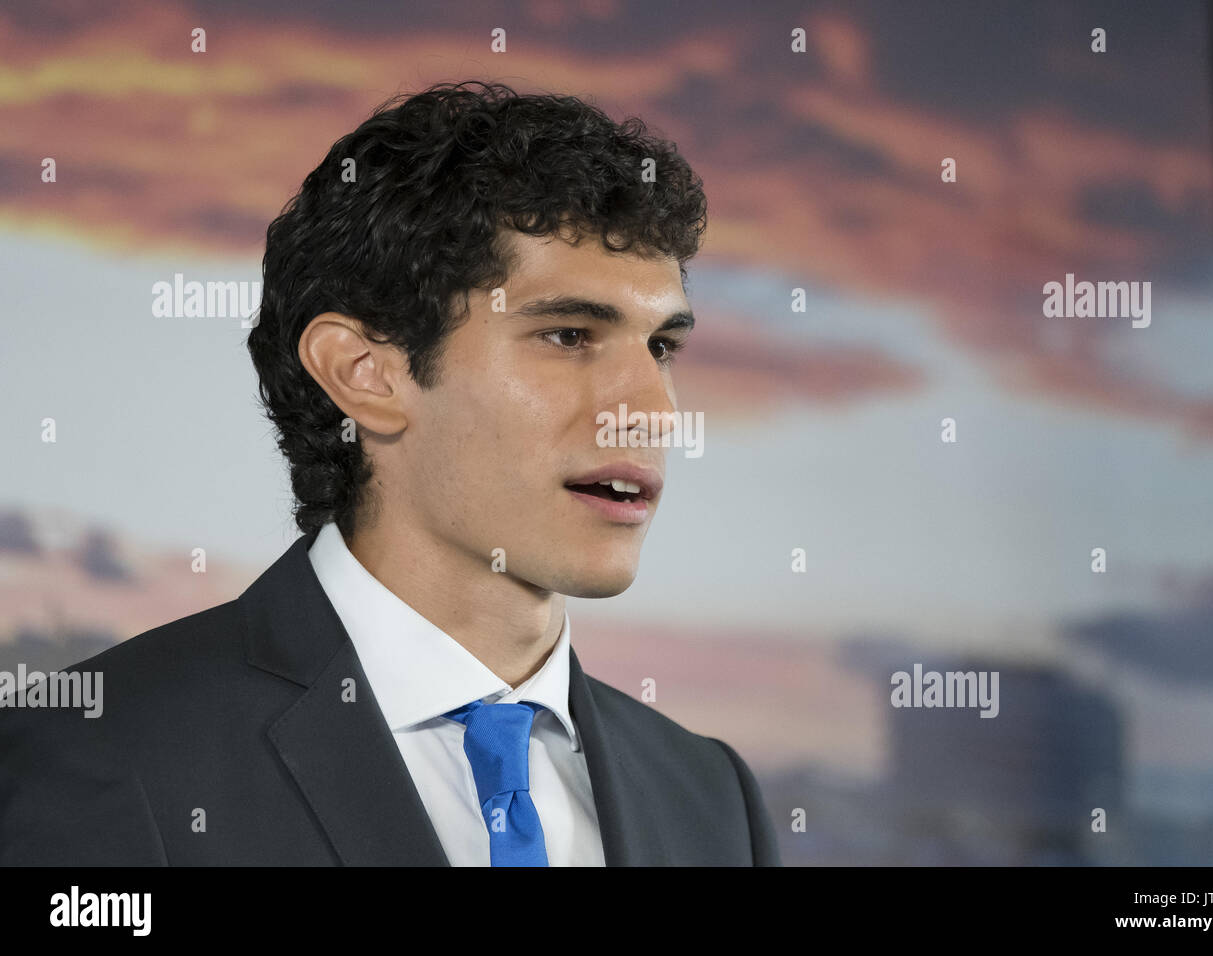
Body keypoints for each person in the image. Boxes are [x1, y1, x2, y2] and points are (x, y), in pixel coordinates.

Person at [0, 80, 781, 866]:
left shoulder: (711, 798)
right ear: (364, 374)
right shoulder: (98, 755)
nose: (653, 410)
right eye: (570, 335)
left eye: (663, 347)